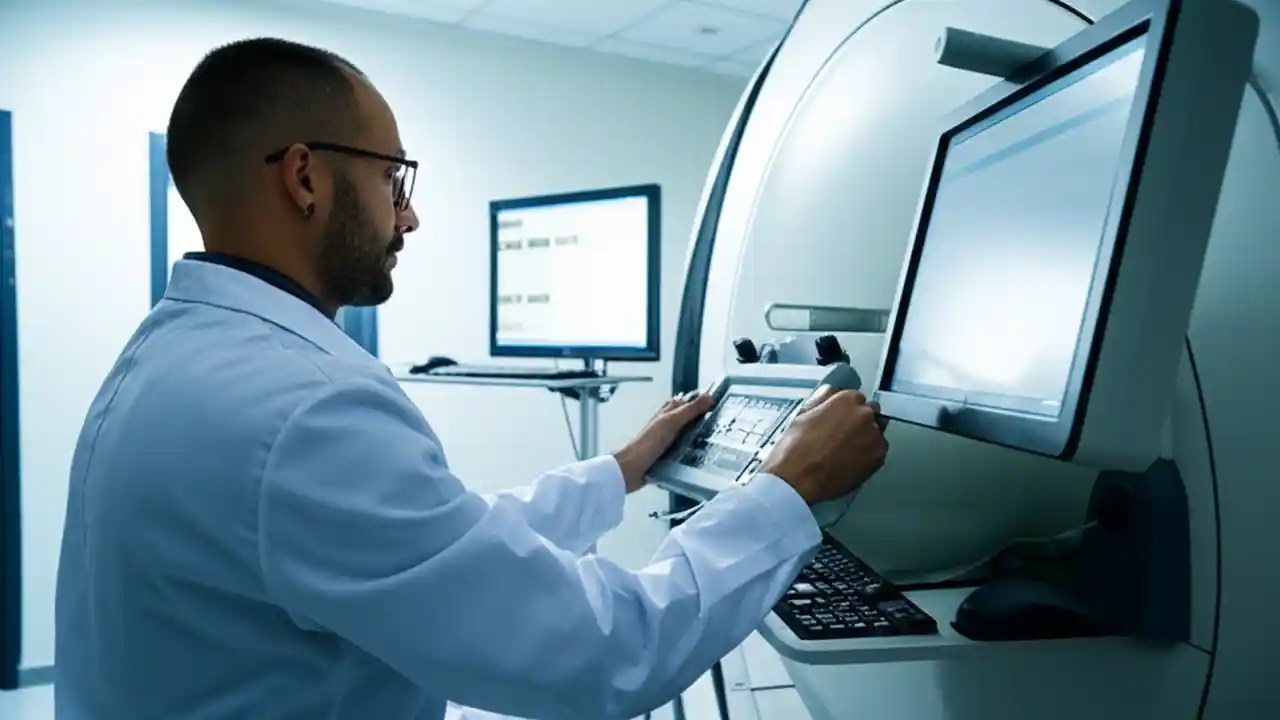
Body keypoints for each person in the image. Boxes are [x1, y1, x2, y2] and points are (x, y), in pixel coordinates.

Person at [53, 38, 890, 720]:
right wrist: (786, 488)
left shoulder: (171, 358)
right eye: (393, 178)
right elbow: (607, 653)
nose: (407, 214)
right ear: (304, 176)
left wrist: (621, 469)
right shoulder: (304, 410)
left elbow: (433, 548)